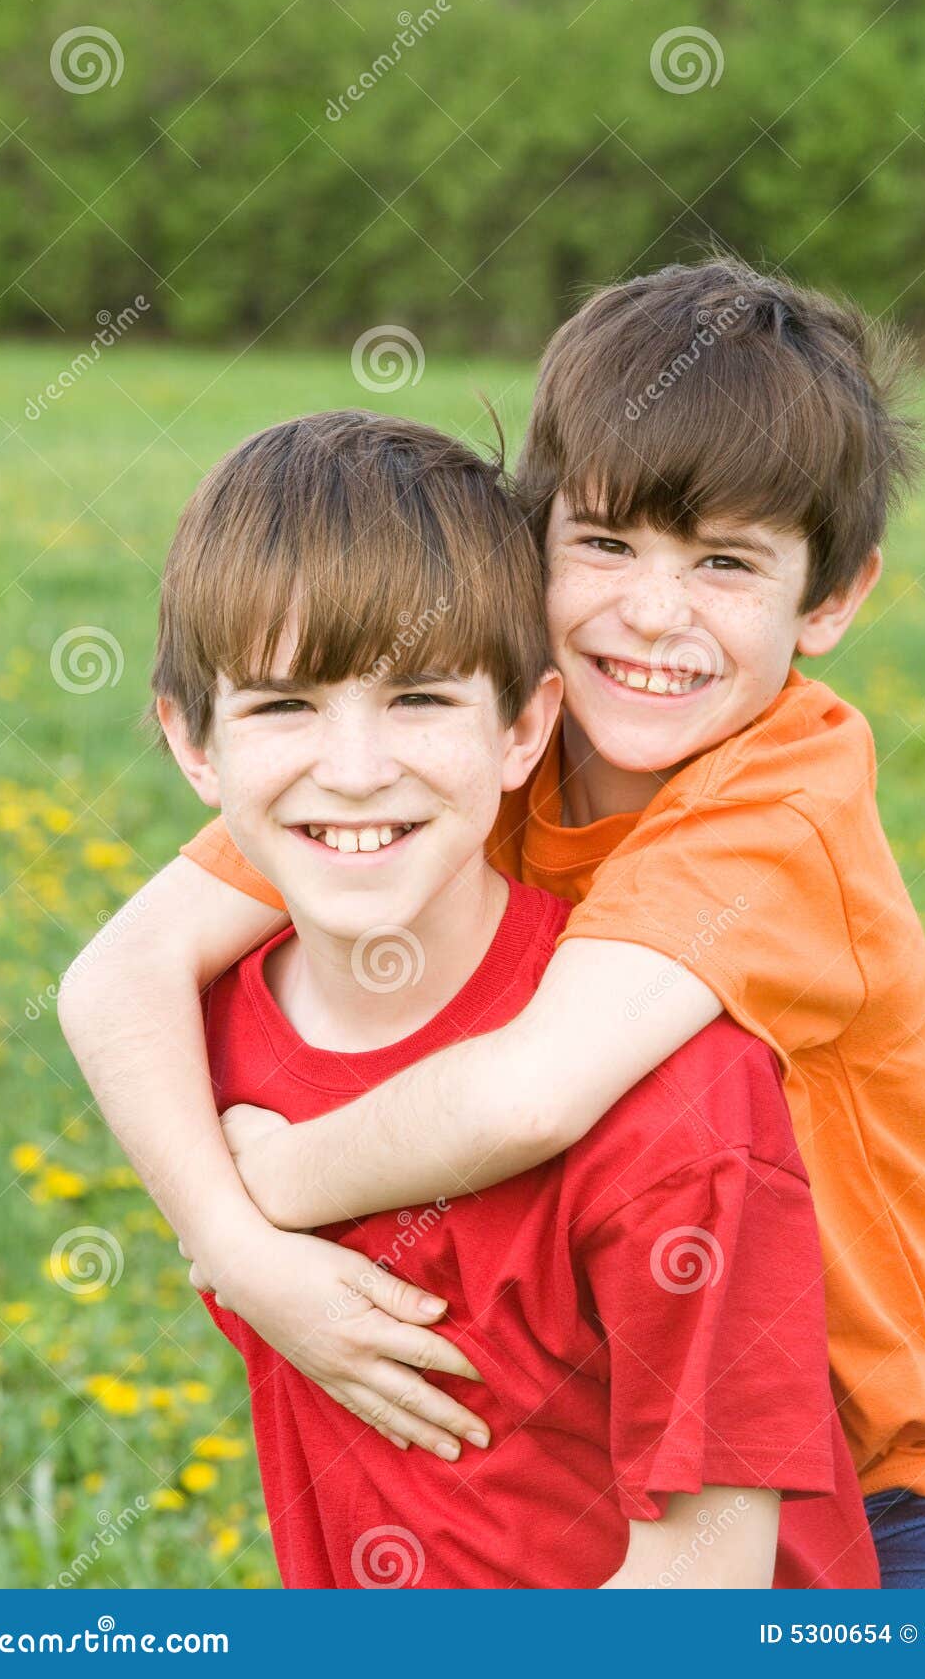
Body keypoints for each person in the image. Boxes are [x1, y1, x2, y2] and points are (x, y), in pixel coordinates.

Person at [60, 256, 925, 1588]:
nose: (651, 614)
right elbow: (117, 971)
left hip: (900, 1475)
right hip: (628, 1409)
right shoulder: (471, 748)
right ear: (530, 537)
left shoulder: (782, 805)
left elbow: (527, 1096)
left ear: (828, 598)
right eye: (603, 543)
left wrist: (267, 1187)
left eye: (722, 564)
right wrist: (244, 1256)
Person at [148, 407, 877, 1588]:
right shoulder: (213, 1030)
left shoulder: (680, 1106)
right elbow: (111, 976)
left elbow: (701, 1601)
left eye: (423, 700)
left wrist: (252, 1191)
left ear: (526, 727)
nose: (353, 767)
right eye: (284, 705)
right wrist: (230, 1230)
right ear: (193, 744)